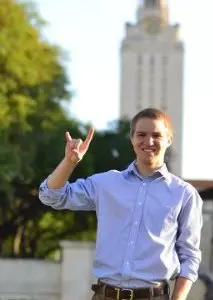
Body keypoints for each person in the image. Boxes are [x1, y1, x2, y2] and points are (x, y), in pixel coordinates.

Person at [39, 108, 203, 300]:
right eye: (141, 134)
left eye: (157, 135)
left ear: (169, 140)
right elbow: (51, 196)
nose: (149, 142)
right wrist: (69, 162)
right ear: (132, 139)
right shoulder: (106, 184)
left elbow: (189, 257)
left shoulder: (184, 194)